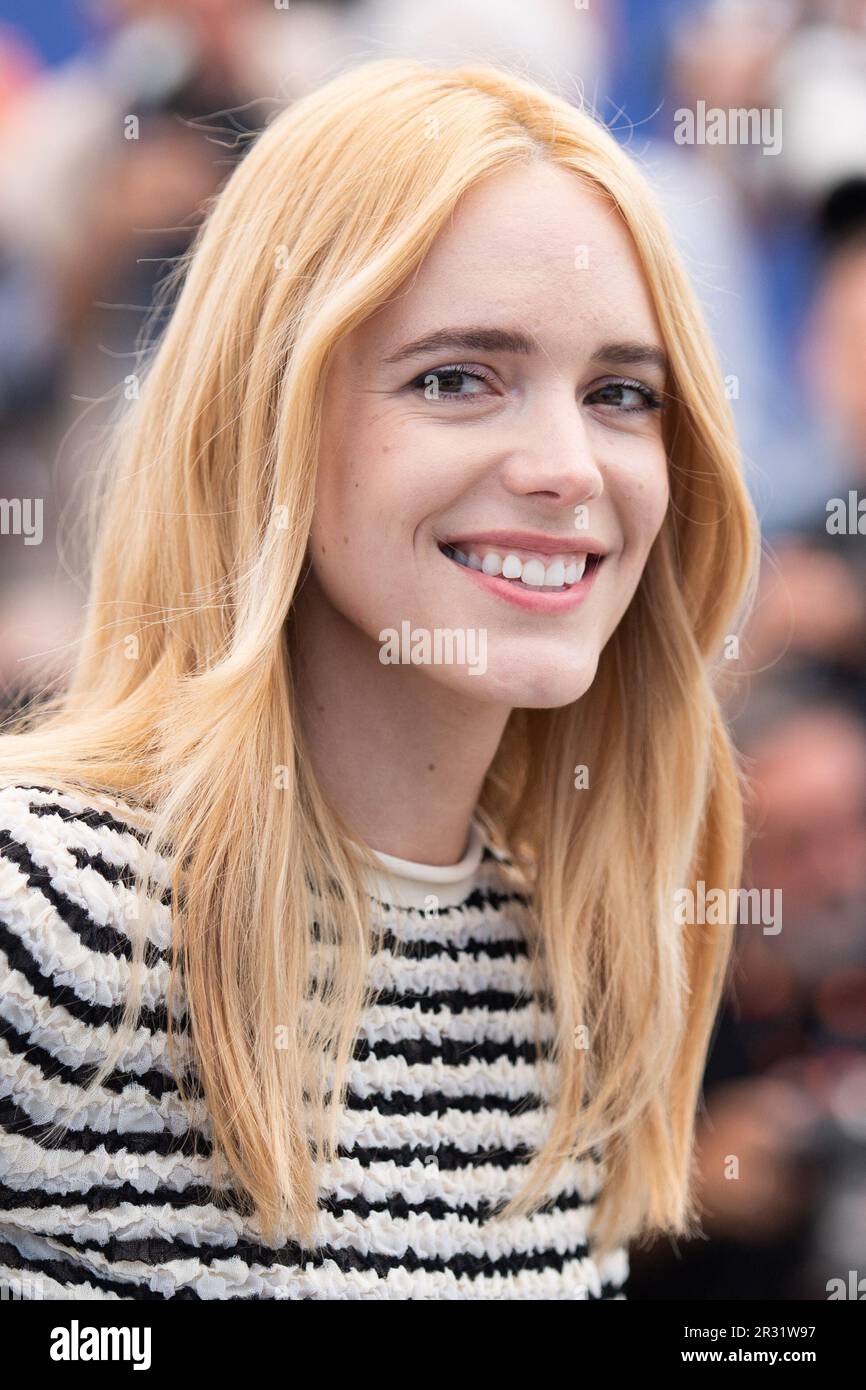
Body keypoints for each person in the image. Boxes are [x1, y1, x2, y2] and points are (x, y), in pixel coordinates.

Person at [0, 57, 758, 1300]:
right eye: (458, 377)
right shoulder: (41, 909)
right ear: (264, 419)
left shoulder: (585, 960)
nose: (569, 467)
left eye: (621, 394)